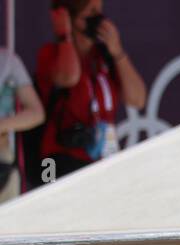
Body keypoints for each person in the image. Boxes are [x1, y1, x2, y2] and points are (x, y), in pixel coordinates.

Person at [34, 0, 146, 182]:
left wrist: (117, 51)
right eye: (91, 12)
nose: (99, 19)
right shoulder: (50, 54)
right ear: (70, 16)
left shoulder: (103, 57)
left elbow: (137, 99)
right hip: (63, 162)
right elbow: (69, 77)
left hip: (103, 160)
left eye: (100, 10)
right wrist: (65, 34)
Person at [0, 49, 45, 203]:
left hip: (3, 159)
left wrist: (3, 125)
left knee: (8, 221)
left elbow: (36, 113)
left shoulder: (8, 61)